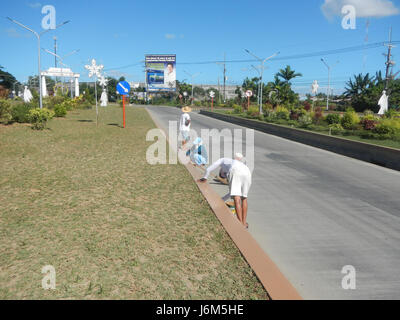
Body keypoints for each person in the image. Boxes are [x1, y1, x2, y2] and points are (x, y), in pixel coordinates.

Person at [228, 159, 252, 229]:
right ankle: (244, 223)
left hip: (235, 172)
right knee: (244, 198)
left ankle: (240, 223)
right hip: (247, 173)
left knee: (236, 197)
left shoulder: (230, 165)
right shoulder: (244, 165)